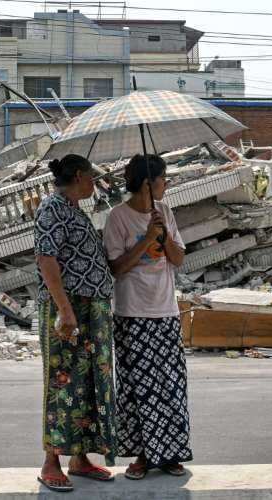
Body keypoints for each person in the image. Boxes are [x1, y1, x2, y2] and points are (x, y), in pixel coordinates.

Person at [103, 153, 192, 480]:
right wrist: (144, 240)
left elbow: (178, 258)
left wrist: (163, 234)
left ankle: (170, 453)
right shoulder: (118, 218)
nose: (166, 184)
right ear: (147, 184)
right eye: (163, 178)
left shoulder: (165, 212)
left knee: (170, 386)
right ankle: (142, 455)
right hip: (132, 315)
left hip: (165, 311)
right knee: (138, 387)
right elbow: (117, 267)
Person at [34, 154, 117, 493]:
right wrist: (65, 310)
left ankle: (79, 458)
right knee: (62, 383)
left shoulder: (72, 209)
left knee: (86, 384)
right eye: (92, 179)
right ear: (80, 176)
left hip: (89, 310)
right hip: (70, 311)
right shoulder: (51, 208)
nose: (94, 185)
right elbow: (46, 259)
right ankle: (51, 461)